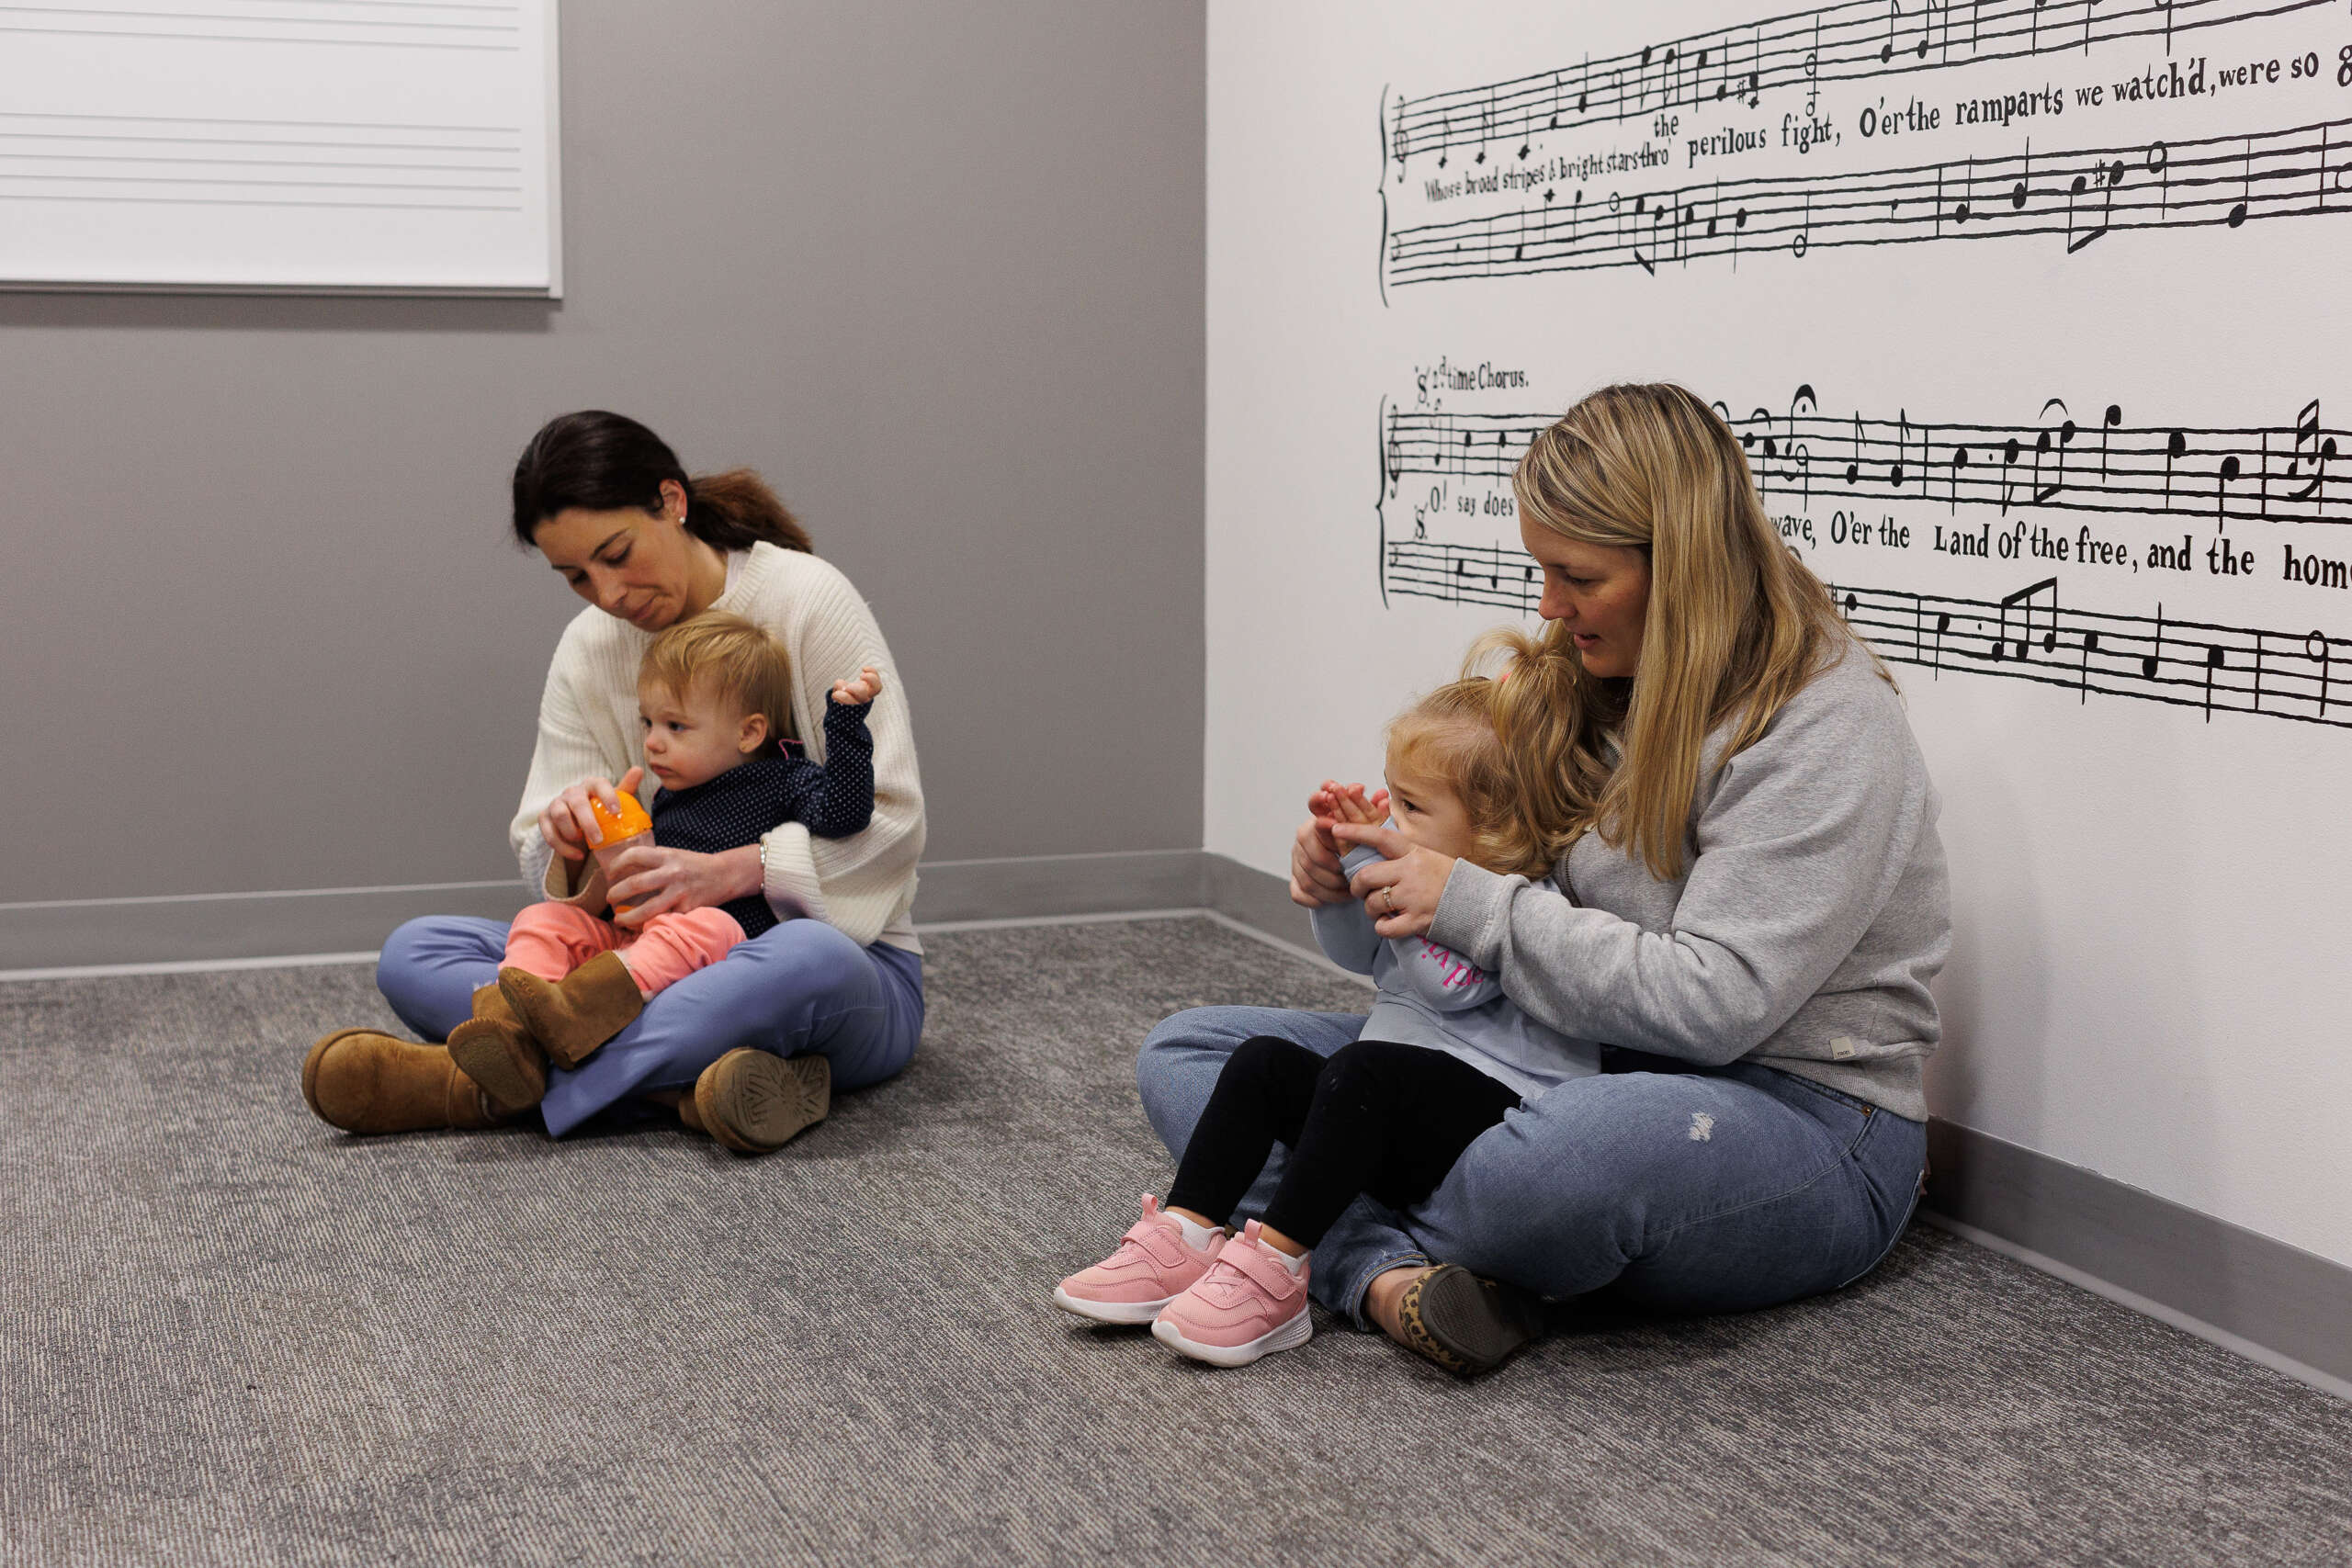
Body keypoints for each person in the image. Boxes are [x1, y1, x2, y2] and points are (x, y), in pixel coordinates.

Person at [1134, 382, 1948, 1376]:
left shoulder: (1828, 726)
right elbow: (1487, 872)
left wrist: (1466, 901)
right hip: (1556, 1052)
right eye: (1542, 571)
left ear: (1681, 567)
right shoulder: (1591, 672)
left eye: (1575, 576)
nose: (1548, 607)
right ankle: (1385, 1281)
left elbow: (1714, 1006)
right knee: (1196, 1054)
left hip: (1790, 1110)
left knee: (1551, 1175)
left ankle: (1318, 1242)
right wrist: (1367, 867)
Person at [301, 411, 926, 1153]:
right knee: (415, 950)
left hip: (818, 960)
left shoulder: (807, 599)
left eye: (617, 553)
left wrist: (730, 871)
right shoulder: (588, 649)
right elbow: (553, 879)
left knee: (805, 962)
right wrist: (570, 849)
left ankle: (462, 1088)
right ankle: (687, 1091)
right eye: (575, 577)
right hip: (635, 959)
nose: (607, 593)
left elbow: (889, 822)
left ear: (672, 500)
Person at [1055, 637, 1603, 1368]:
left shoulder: (1520, 902)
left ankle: (1277, 1272)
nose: (1392, 821)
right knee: (1259, 1065)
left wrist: (1372, 865)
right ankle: (1186, 1235)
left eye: (1411, 808)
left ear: (1496, 824)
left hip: (1494, 1119)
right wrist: (1340, 884)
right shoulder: (1418, 883)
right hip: (1389, 1105)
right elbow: (1360, 953)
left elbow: (1449, 982)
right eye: (1390, 796)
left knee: (1361, 1070)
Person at [443, 610, 884, 1153]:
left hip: (719, 956)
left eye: (675, 727)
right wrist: (591, 850)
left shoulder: (784, 781)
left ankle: (557, 1037)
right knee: (542, 918)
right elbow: (629, 892)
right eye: (647, 723)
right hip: (638, 948)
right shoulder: (668, 793)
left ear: (750, 732)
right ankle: (513, 1030)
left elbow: (846, 811)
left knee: (706, 923)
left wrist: (845, 725)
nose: (652, 743)